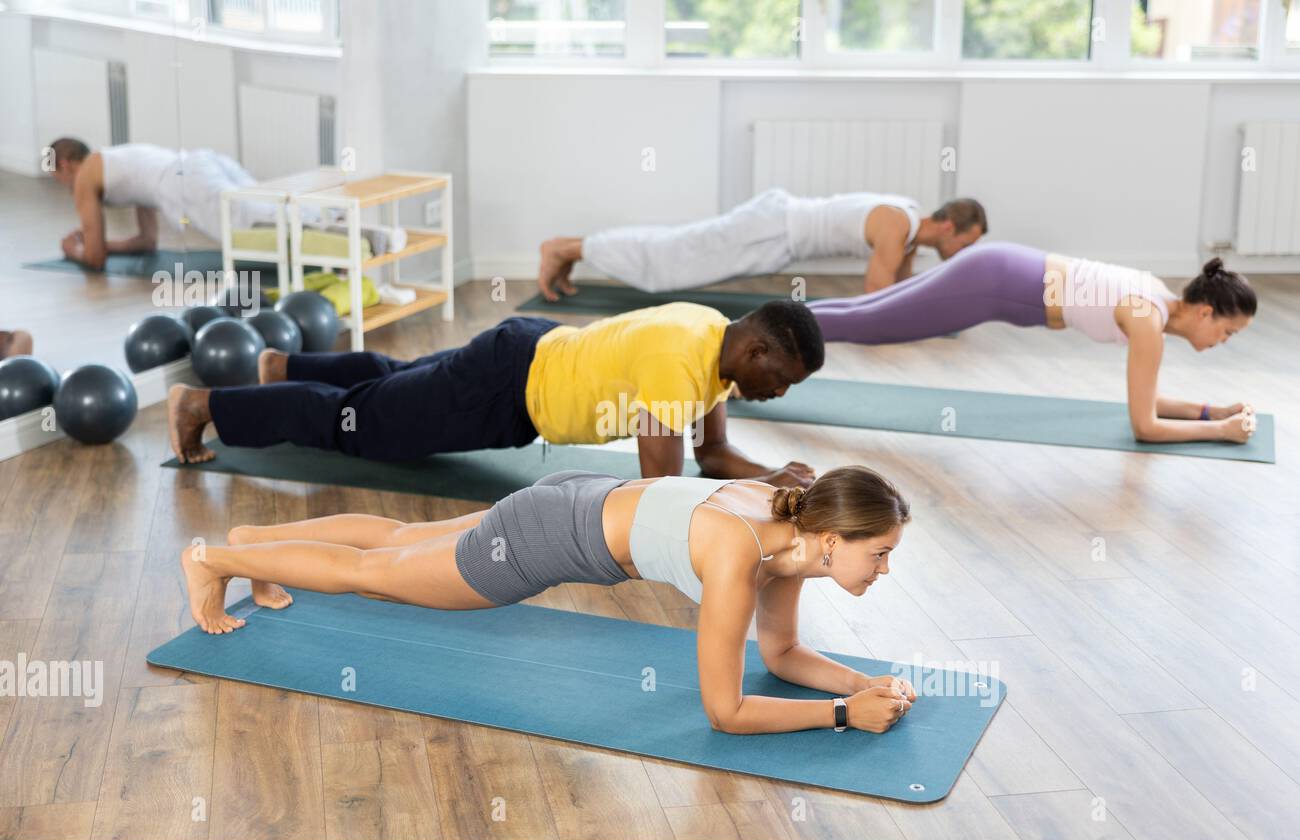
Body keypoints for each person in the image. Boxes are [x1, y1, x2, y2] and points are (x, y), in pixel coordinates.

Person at [179, 465, 917, 735]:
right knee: (378, 574)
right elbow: (724, 713)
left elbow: (781, 654)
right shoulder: (740, 556)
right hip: (546, 538)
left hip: (573, 493)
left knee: (397, 537)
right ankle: (214, 558)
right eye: (878, 552)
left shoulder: (789, 524)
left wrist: (861, 682)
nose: (882, 569)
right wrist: (846, 716)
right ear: (832, 538)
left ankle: (252, 545)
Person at [168, 300, 824, 486]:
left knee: (400, 381)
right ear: (758, 351)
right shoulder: (679, 360)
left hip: (529, 350)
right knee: (361, 425)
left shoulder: (713, 336)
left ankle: (284, 365)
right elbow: (660, 490)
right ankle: (204, 406)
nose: (777, 393)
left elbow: (711, 455)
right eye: (781, 381)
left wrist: (771, 475)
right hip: (504, 387)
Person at [810, 244, 1260, 445]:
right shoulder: (1148, 319)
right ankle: (751, 335)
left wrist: (1211, 411)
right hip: (991, 283)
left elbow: (1147, 400)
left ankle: (760, 328)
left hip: (997, 270)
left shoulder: (1156, 299)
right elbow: (1145, 425)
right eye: (1227, 332)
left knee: (864, 312)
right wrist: (1219, 432)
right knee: (869, 324)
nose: (1223, 342)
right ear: (1205, 312)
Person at [537, 192, 988, 300]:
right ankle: (565, 248)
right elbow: (877, 294)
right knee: (665, 264)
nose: (964, 252)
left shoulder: (906, 221)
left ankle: (573, 250)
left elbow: (899, 286)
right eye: (966, 242)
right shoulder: (896, 226)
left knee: (673, 250)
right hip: (771, 230)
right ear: (948, 226)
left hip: (775, 229)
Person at [46, 137, 273, 270]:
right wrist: (105, 245)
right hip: (201, 164)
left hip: (185, 181)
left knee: (250, 231)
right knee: (270, 210)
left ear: (65, 165)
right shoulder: (117, 162)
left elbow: (95, 260)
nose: (67, 189)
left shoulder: (85, 176)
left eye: (59, 179)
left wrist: (73, 249)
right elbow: (148, 242)